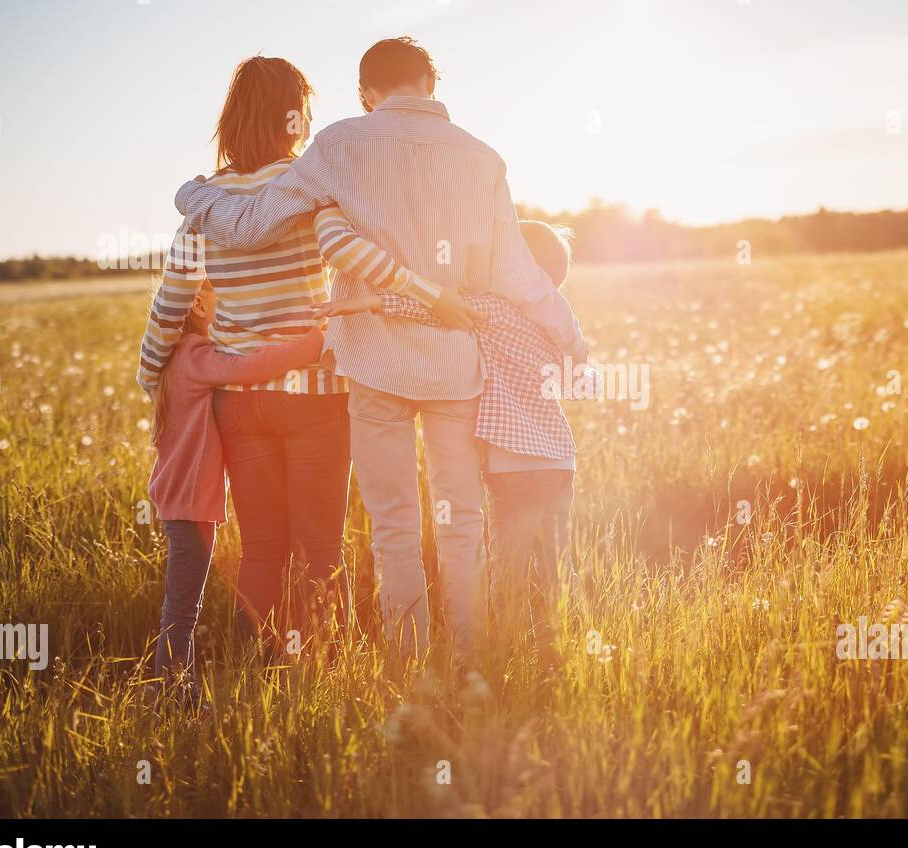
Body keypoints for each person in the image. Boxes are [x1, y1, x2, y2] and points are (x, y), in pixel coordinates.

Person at [172, 38, 587, 659]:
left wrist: (192, 194)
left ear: (367, 92)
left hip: (374, 364)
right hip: (453, 365)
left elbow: (251, 225)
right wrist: (572, 339)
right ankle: (468, 654)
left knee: (394, 525)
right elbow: (516, 276)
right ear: (431, 81)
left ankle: (406, 656)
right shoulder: (484, 160)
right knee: (461, 522)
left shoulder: (340, 143)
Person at [138, 55, 451, 644]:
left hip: (240, 400)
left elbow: (171, 303)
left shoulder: (205, 205)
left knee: (261, 546)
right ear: (295, 117)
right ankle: (317, 665)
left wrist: (151, 372)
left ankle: (251, 664)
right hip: (316, 392)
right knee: (319, 546)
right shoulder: (308, 188)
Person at [312, 214, 596, 624]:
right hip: (558, 461)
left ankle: (506, 650)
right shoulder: (558, 321)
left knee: (510, 573)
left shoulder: (494, 309)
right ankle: (558, 647)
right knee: (556, 568)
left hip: (512, 466)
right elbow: (580, 373)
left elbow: (430, 309)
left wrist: (368, 301)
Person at [145, 277, 324, 693]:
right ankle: (168, 693)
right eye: (218, 294)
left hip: (182, 501)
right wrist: (310, 345)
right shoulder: (195, 354)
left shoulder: (172, 358)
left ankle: (178, 693)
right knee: (183, 608)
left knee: (184, 605)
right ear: (201, 309)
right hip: (189, 504)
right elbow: (246, 367)